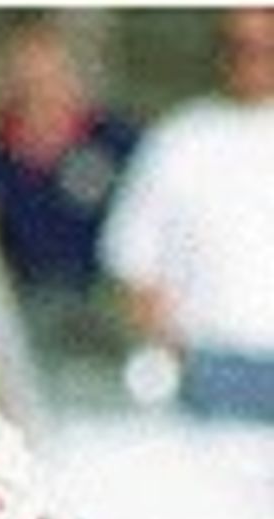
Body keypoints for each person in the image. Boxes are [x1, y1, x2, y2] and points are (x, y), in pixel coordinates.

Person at [98, 7, 274, 421]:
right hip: (213, 369)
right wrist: (173, 355)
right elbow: (132, 258)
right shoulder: (181, 138)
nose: (253, 59)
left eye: (266, 48)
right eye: (240, 48)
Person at [0, 16, 141, 306]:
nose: (38, 89)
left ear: (70, 74)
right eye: (25, 78)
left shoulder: (117, 143)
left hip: (99, 307)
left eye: (48, 76)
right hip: (14, 304)